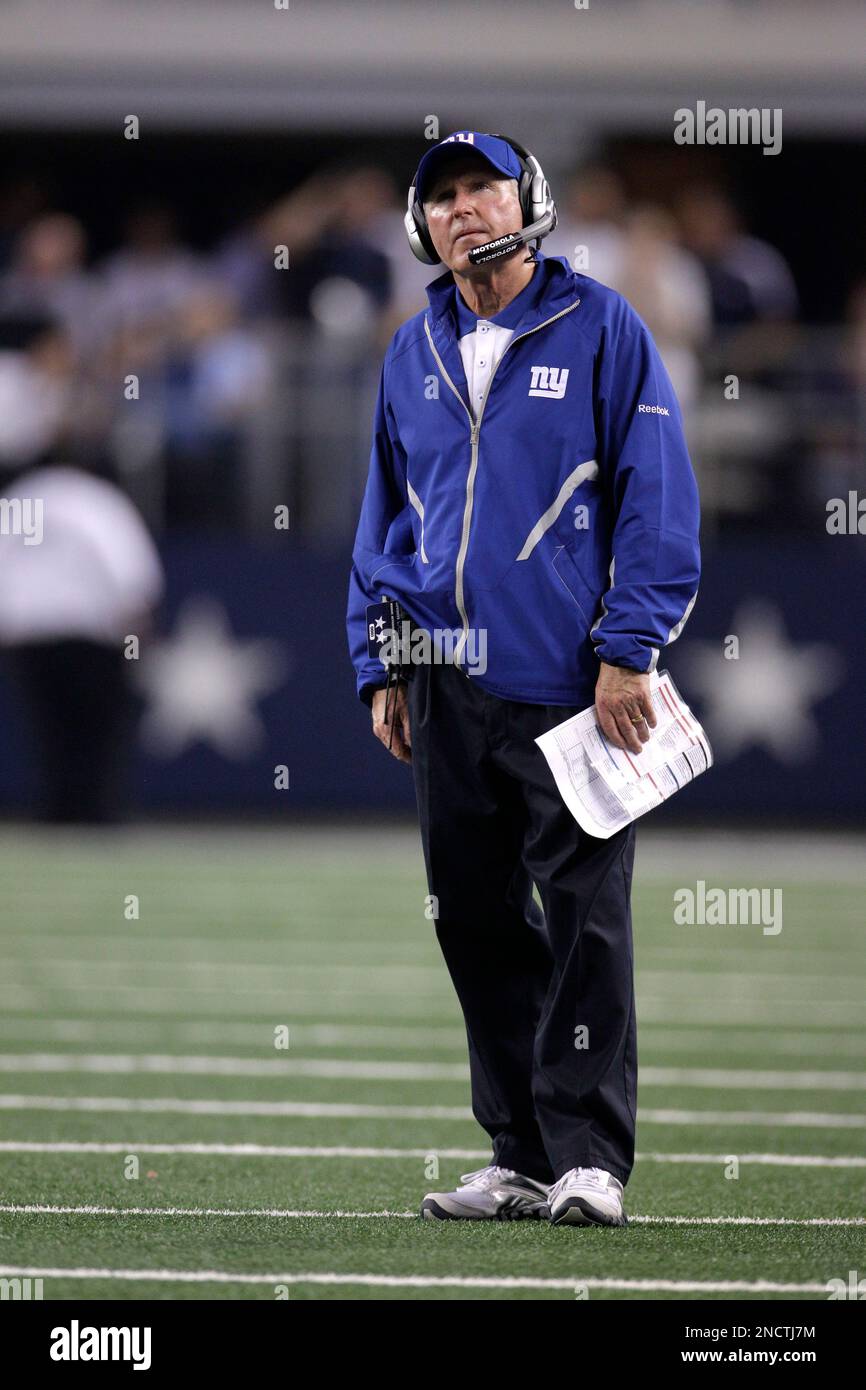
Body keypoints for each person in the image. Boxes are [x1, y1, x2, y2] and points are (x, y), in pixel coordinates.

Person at [346, 132, 701, 1227]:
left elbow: (654, 495)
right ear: (422, 225)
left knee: (584, 919)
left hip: (567, 680)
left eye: (479, 187)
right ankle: (519, 1152)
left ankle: (589, 1157)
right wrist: (383, 659)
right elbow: (387, 524)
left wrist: (627, 649)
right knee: (475, 919)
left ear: (526, 199)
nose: (460, 209)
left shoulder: (602, 326)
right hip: (445, 684)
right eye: (440, 196)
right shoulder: (412, 348)